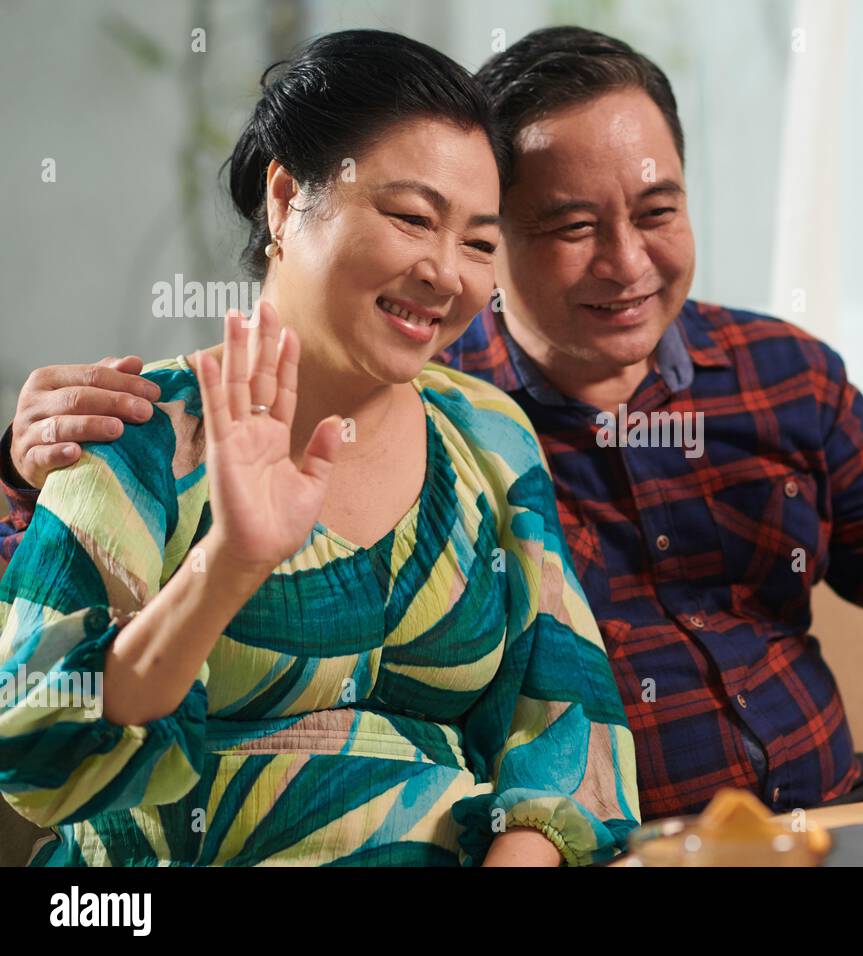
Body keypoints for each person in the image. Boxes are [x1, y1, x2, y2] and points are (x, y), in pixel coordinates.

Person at [1, 26, 863, 822]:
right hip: (630, 838)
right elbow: (67, 645)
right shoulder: (425, 397)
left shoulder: (782, 372)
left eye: (656, 210)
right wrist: (18, 472)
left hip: (828, 815)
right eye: (571, 226)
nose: (627, 263)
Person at [0, 29, 639, 866]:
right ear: (284, 199)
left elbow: (564, 713)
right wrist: (227, 565)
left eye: (479, 243)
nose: (446, 272)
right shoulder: (136, 428)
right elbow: (40, 735)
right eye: (413, 218)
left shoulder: (486, 433)